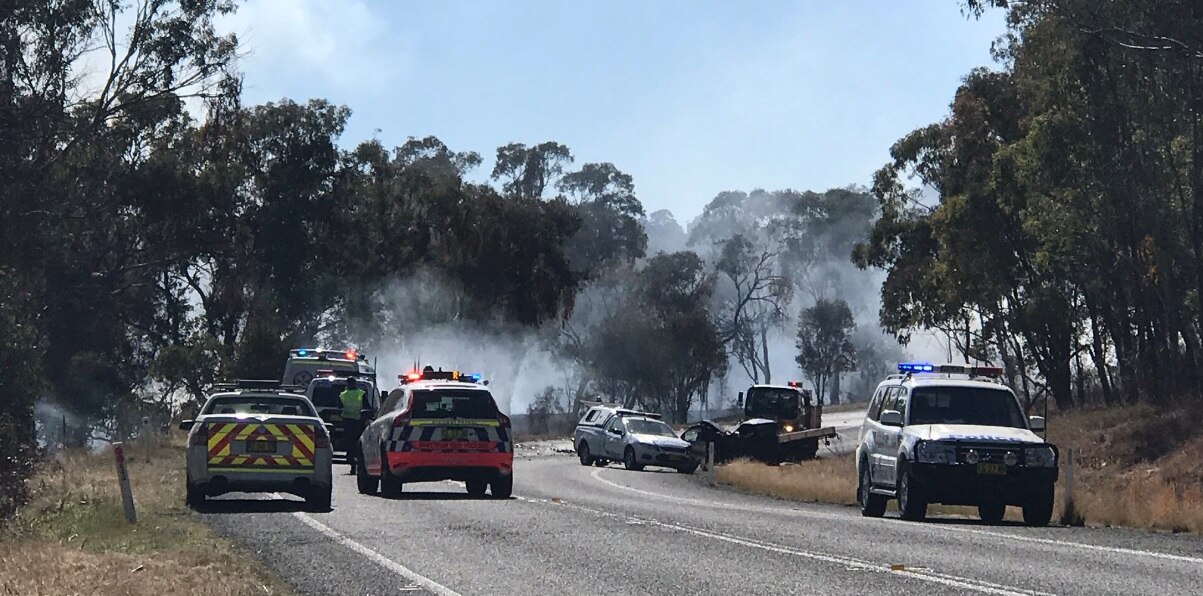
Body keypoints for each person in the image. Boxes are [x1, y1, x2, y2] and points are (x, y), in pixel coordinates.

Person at [338, 377, 366, 474]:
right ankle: (358, 463)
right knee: (358, 444)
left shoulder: (343, 395)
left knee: (349, 444)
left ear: (347, 384)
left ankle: (352, 463)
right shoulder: (361, 393)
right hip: (358, 422)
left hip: (347, 422)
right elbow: (367, 407)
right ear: (355, 384)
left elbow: (338, 406)